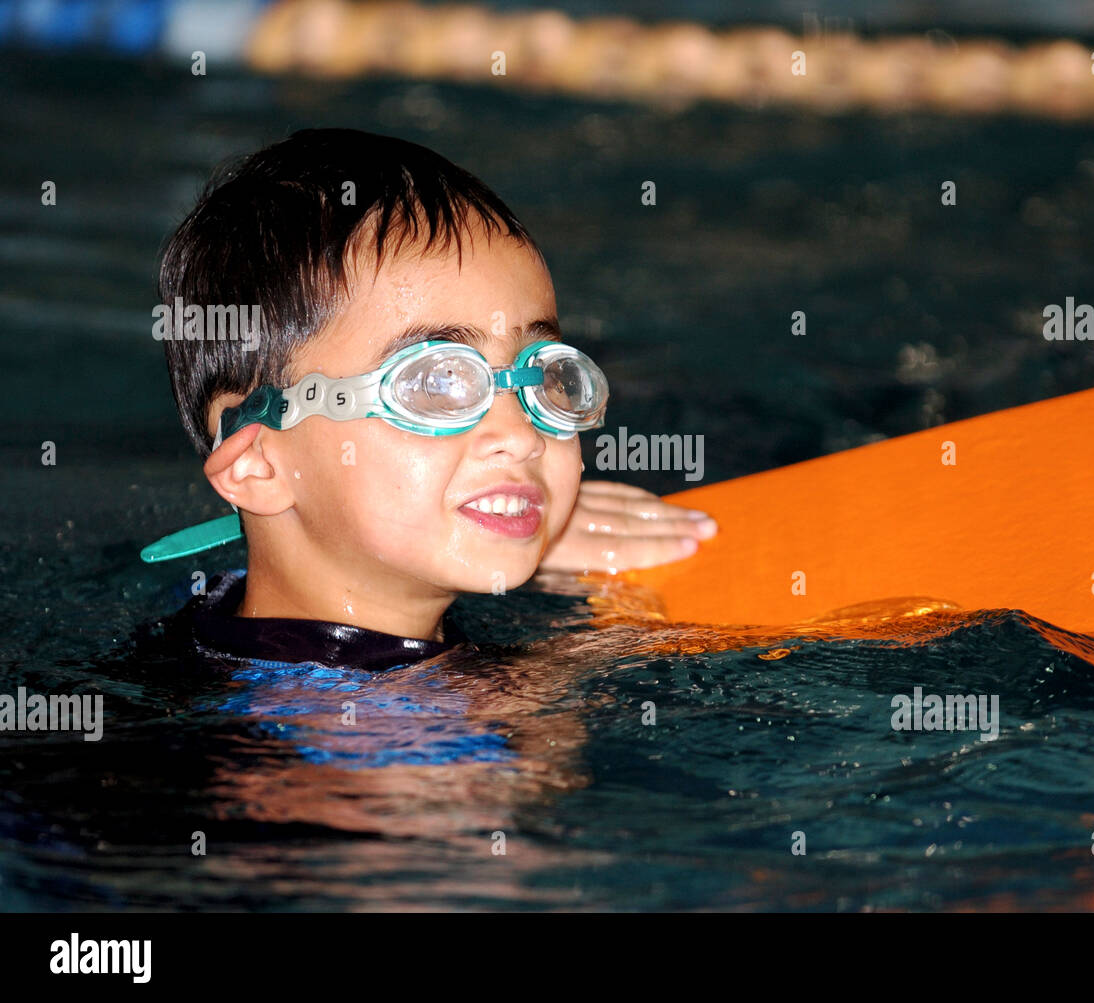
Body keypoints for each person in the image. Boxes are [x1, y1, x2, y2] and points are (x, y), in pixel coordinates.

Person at [139, 128, 715, 671]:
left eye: (540, 376)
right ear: (257, 464)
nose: (520, 436)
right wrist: (582, 662)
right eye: (437, 384)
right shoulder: (324, 736)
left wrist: (517, 523)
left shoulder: (211, 612)